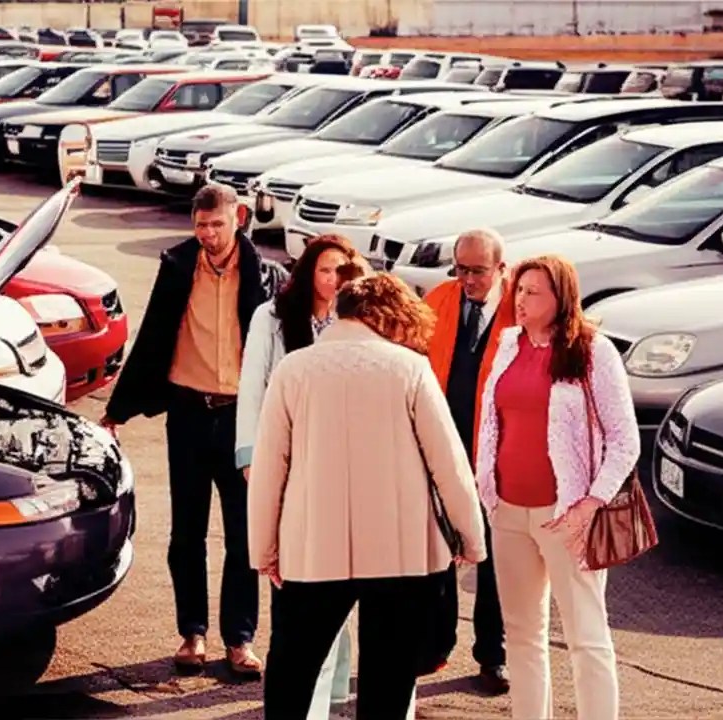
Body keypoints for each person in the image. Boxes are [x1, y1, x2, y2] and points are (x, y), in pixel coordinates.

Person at [248, 271, 488, 719]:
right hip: (400, 551)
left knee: (293, 667)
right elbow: (448, 462)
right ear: (390, 317)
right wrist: (471, 537)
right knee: (390, 675)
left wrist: (263, 548)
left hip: (313, 547)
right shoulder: (409, 368)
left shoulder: (293, 369)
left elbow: (269, 468)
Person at [101, 182, 287, 676]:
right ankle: (192, 634)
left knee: (243, 536)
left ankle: (240, 640)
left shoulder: (267, 275)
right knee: (187, 532)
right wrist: (118, 408)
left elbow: (286, 350)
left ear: (239, 218)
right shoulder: (179, 266)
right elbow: (153, 338)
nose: (208, 234)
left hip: (242, 419)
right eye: (200, 225)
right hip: (187, 412)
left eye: (217, 225)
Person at [476, 255, 639, 720]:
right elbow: (492, 422)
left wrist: (590, 503)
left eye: (534, 292)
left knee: (587, 637)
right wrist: (485, 487)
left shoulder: (593, 350)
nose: (521, 300)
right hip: (507, 511)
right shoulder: (508, 342)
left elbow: (625, 440)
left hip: (567, 515)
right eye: (519, 290)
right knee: (523, 635)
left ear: (562, 298)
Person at [233, 234, 366, 713]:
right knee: (292, 578)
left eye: (343, 273)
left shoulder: (359, 322)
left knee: (337, 581)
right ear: (309, 270)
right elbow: (251, 388)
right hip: (284, 460)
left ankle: (328, 689)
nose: (333, 281)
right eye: (326, 270)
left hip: (340, 467)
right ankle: (301, 691)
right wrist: (250, 458)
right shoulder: (270, 318)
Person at [422, 228, 514, 693]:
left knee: (495, 560)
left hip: (498, 457)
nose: (469, 279)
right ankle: (435, 646)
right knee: (438, 552)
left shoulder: (522, 304)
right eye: (461, 269)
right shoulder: (440, 298)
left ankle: (492, 655)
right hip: (444, 450)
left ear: (501, 268)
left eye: (479, 270)